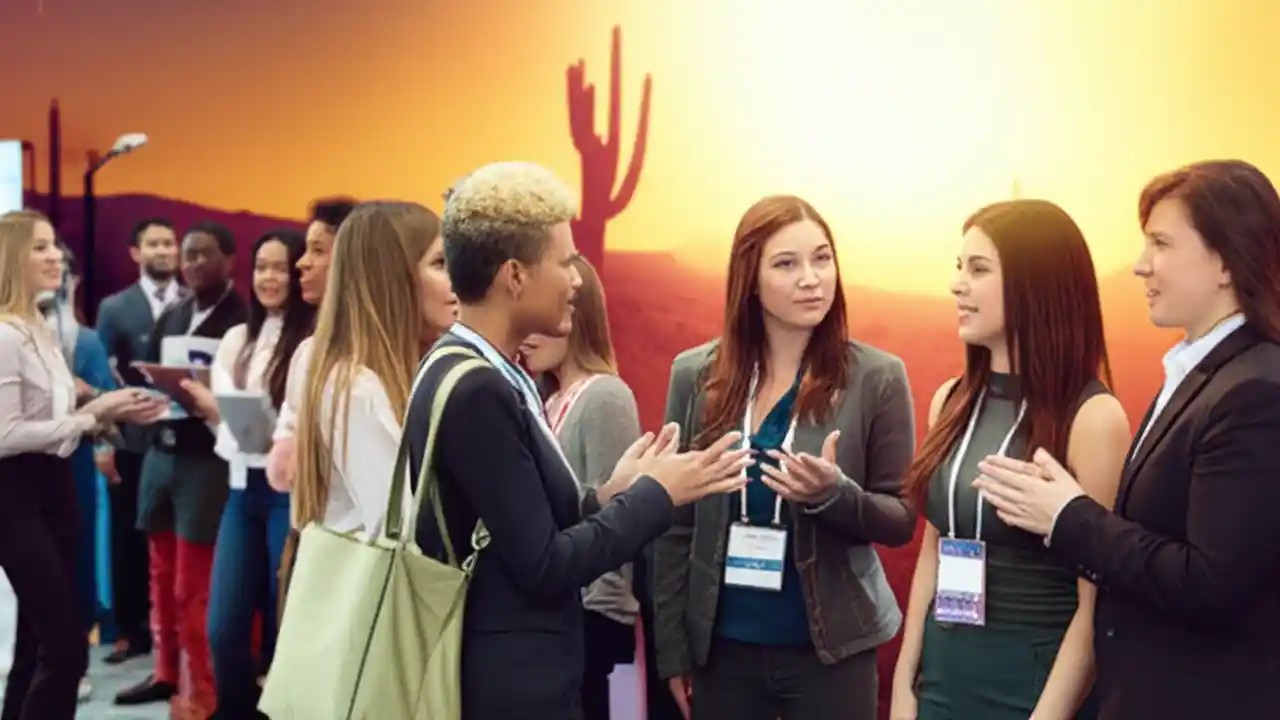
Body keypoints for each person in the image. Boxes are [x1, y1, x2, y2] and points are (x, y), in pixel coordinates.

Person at [404, 161, 751, 720]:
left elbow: (518, 528)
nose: (577, 280)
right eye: (565, 262)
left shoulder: (474, 369)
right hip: (514, 688)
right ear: (514, 276)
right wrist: (655, 497)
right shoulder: (479, 389)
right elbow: (545, 567)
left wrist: (611, 493)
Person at [975, 160, 1280, 719]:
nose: (1141, 267)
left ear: (1226, 260)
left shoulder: (1257, 390)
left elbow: (1212, 582)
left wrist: (1068, 516)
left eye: (1161, 244)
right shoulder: (1203, 373)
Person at [652, 195, 916, 720]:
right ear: (750, 279)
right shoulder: (695, 376)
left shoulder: (876, 377)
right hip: (721, 653)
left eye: (822, 259)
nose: (811, 278)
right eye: (786, 264)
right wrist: (673, 651)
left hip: (831, 653)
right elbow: (674, 525)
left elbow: (900, 518)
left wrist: (834, 496)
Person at [889, 200, 1130, 720]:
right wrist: (904, 683)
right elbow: (935, 544)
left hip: (1032, 693)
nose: (957, 285)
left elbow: (1097, 604)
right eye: (959, 268)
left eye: (978, 270)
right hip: (942, 682)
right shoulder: (949, 399)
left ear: (1033, 285)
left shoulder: (1093, 418)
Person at [0, 209, 165, 719]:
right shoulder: (6, 335)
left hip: (54, 486)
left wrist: (105, 408)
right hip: (15, 492)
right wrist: (92, 414)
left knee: (36, 645)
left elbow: (54, 412)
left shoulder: (38, 327)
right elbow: (5, 435)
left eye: (56, 247)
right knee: (66, 647)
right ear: (10, 258)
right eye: (41, 247)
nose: (57, 257)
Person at [115, 222, 248, 717]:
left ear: (228, 259)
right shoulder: (173, 312)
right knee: (160, 574)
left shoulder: (242, 319)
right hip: (162, 452)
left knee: (195, 585)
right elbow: (148, 376)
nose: (191, 264)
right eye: (186, 256)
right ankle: (166, 672)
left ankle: (203, 691)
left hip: (207, 460)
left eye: (202, 255)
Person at [181, 230, 314, 718]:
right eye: (262, 267)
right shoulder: (237, 339)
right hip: (241, 490)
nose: (270, 278)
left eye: (282, 267)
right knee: (225, 626)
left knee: (286, 622)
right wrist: (218, 410)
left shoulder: (313, 340)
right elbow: (235, 427)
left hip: (293, 493)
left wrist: (224, 410)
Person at [519, 256, 642, 720]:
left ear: (575, 315)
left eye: (543, 316)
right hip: (556, 618)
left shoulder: (606, 396)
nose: (528, 334)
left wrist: (603, 621)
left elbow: (619, 519)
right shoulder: (545, 398)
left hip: (598, 625)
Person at [291, 200, 457, 536]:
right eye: (440, 263)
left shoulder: (325, 361)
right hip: (375, 582)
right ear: (393, 277)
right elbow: (399, 525)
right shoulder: (353, 384)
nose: (457, 281)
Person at [95, 217, 182, 665]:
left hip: (183, 441)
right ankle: (129, 632)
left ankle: (173, 631)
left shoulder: (193, 303)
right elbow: (101, 379)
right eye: (154, 243)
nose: (164, 250)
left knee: (175, 541)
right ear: (136, 252)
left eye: (170, 242)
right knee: (129, 536)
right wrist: (104, 443)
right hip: (130, 441)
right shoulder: (115, 308)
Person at [37, 242, 120, 702]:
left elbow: (104, 410)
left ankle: (72, 663)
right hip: (22, 471)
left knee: (75, 564)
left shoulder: (81, 340)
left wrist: (91, 404)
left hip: (71, 466)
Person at [266, 196, 356, 494]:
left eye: (317, 250)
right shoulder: (307, 348)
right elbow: (290, 422)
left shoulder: (381, 353)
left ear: (351, 257)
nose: (301, 263)